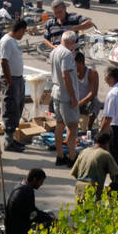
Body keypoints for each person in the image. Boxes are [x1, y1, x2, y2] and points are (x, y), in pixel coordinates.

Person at [51, 30, 80, 165]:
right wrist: (73, 96)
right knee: (72, 127)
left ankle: (60, 155)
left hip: (56, 92)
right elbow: (65, 75)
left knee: (59, 124)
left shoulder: (55, 51)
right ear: (72, 42)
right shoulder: (67, 54)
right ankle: (72, 157)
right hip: (66, 95)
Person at [0, 19, 27, 151]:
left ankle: (12, 138)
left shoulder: (13, 41)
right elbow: (4, 62)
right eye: (23, 31)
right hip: (11, 80)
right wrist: (9, 81)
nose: (23, 34)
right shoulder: (6, 41)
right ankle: (8, 141)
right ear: (20, 29)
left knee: (18, 108)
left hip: (18, 79)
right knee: (10, 108)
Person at [71, 128, 118, 199]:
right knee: (93, 209)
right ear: (107, 143)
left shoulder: (84, 152)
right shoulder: (105, 154)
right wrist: (112, 189)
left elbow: (75, 173)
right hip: (93, 190)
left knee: (82, 209)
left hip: (79, 190)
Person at [5, 168, 53, 234]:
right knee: (50, 222)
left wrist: (45, 215)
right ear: (34, 179)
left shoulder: (19, 186)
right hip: (17, 230)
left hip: (11, 225)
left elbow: (31, 209)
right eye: (41, 181)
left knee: (47, 214)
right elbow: (32, 215)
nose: (41, 184)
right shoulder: (27, 191)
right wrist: (48, 218)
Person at [74, 50, 101, 125]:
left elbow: (93, 93)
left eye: (73, 63)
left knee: (96, 102)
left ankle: (89, 127)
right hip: (76, 99)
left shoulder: (92, 73)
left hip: (88, 101)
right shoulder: (73, 72)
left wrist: (80, 103)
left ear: (79, 63)